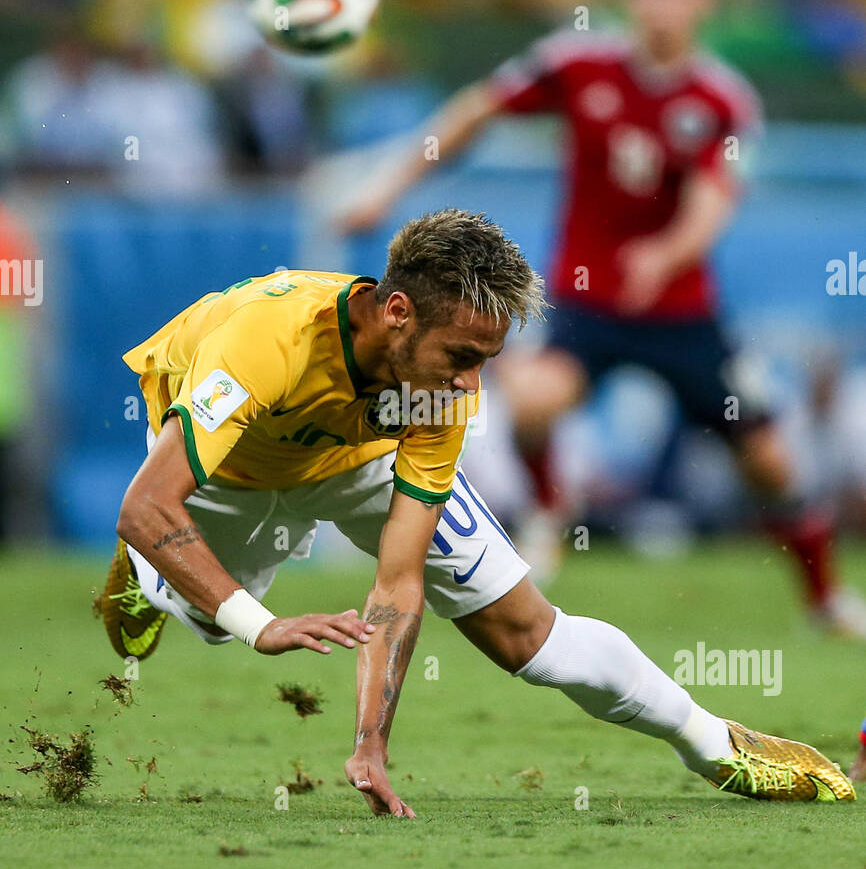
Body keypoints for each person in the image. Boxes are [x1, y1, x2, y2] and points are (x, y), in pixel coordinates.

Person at [97, 211, 853, 813]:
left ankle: (714, 743)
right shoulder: (264, 341)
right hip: (237, 471)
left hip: (363, 456)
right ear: (397, 312)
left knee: (529, 632)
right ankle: (142, 582)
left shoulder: (441, 387)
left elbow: (397, 581)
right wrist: (260, 625)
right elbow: (146, 504)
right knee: (204, 617)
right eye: (462, 355)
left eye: (485, 360)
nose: (470, 385)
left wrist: (370, 744)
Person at [339, 0, 866, 634]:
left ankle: (823, 597)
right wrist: (388, 185)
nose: (660, 4)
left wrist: (667, 253)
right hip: (590, 305)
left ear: (703, 0)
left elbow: (713, 204)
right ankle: (549, 512)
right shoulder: (577, 63)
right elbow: (478, 110)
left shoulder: (721, 99)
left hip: (683, 315)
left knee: (770, 464)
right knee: (531, 404)